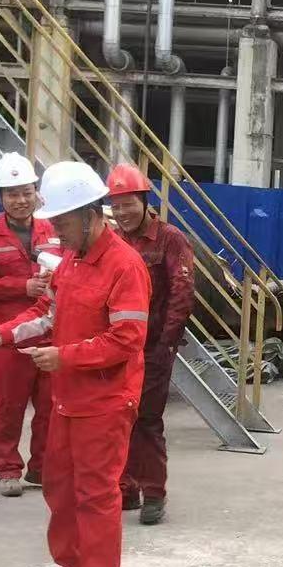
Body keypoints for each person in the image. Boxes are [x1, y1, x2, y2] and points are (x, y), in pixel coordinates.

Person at [0, 161, 150, 567]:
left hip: (105, 402)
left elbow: (127, 339)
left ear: (89, 215)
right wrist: (1, 335)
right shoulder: (72, 261)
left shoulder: (124, 266)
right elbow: (47, 312)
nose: (55, 230)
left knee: (97, 499)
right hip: (68, 398)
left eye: (61, 221)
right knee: (59, 489)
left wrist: (66, 357)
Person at [106, 163, 195, 525]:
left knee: (147, 420)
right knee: (119, 417)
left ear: (144, 202)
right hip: (119, 347)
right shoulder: (113, 240)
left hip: (154, 346)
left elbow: (181, 293)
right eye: (116, 206)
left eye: (129, 204)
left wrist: (166, 345)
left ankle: (154, 493)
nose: (122, 212)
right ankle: (126, 488)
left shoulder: (170, 239)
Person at [0, 152, 56, 498]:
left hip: (48, 332)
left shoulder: (53, 230)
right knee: (7, 406)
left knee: (50, 406)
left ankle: (41, 467)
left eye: (26, 192)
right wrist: (21, 287)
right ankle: (7, 469)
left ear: (36, 193)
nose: (21, 200)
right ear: (0, 197)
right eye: (13, 194)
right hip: (5, 336)